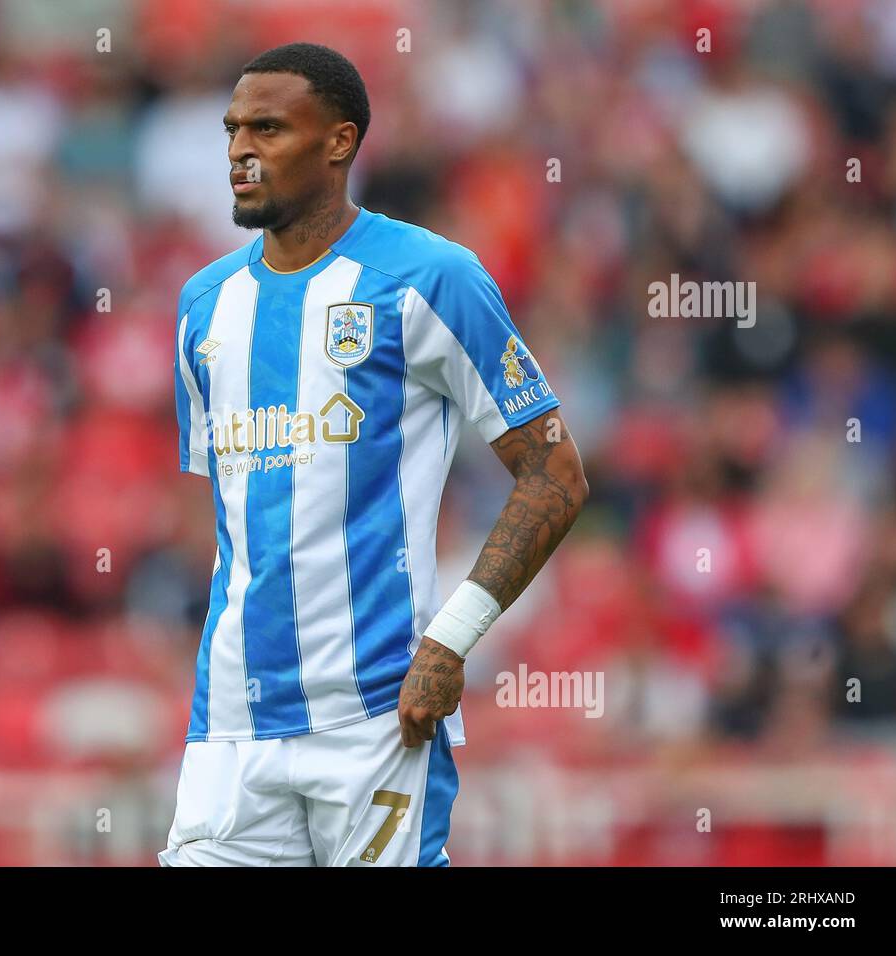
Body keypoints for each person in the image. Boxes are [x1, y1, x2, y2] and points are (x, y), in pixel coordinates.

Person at [162, 42, 588, 867]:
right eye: (232, 130)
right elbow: (222, 515)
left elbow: (556, 474)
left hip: (378, 714)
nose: (240, 151)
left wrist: (449, 641)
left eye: (269, 128)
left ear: (339, 141)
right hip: (232, 726)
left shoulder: (430, 278)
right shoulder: (203, 307)